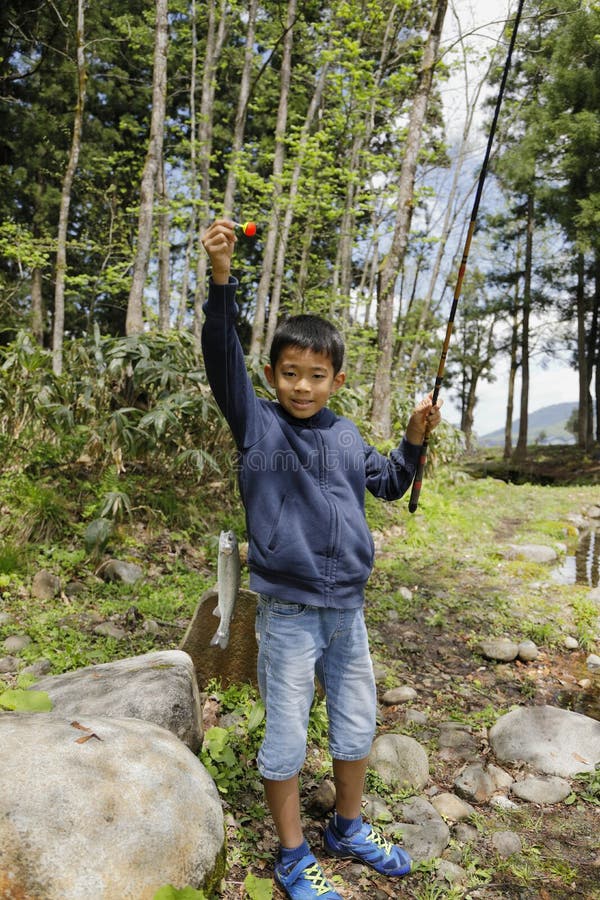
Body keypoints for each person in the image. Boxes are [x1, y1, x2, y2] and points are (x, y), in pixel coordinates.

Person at [201, 219, 442, 900]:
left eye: (315, 376)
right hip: (288, 613)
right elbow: (222, 356)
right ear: (272, 375)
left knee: (358, 724)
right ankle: (292, 852)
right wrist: (223, 281)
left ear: (335, 378)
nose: (302, 387)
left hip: (348, 613)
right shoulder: (258, 423)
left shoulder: (346, 435)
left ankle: (346, 826)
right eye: (289, 374)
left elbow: (393, 483)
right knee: (284, 736)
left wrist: (415, 441)